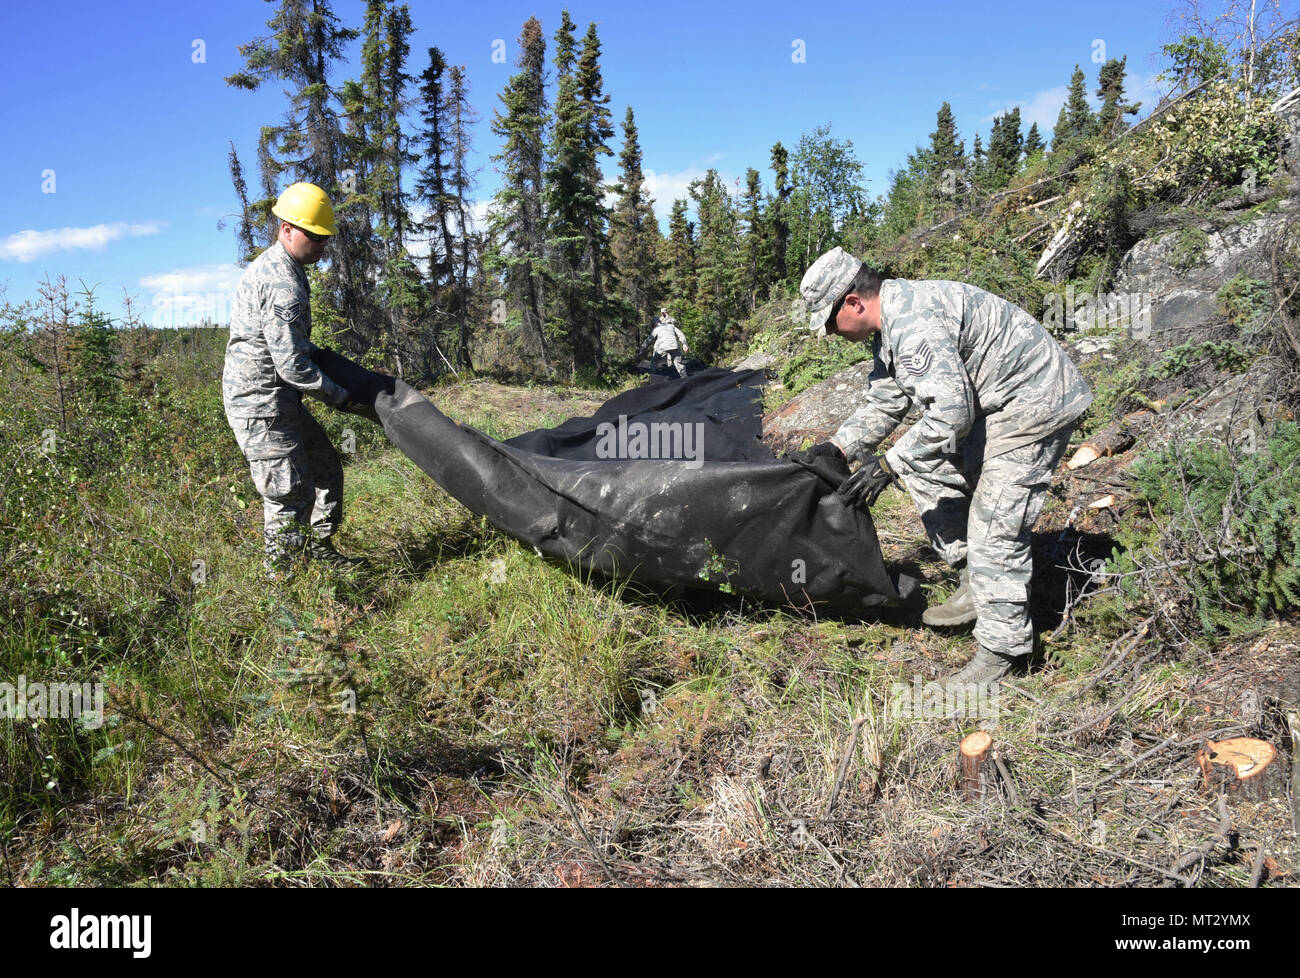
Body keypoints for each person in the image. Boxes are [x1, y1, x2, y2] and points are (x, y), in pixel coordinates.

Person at [794, 247, 1093, 687]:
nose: (832, 334)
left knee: (996, 527)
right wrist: (838, 447)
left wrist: (889, 464)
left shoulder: (914, 323)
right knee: (923, 467)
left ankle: (1002, 654)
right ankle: (979, 580)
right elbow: (888, 399)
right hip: (992, 408)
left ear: (853, 303)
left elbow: (951, 414)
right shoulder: (893, 321)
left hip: (1032, 405)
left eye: (830, 321)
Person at [222, 181, 363, 579]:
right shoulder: (282, 283)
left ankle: (319, 552)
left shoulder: (287, 267)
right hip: (261, 405)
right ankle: (283, 593)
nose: (322, 245)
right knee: (288, 494)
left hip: (279, 401)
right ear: (286, 229)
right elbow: (293, 367)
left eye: (326, 238)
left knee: (325, 469)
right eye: (314, 236)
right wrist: (343, 398)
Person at [640, 309, 690, 378]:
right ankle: (685, 378)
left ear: (654, 324)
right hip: (674, 345)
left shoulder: (657, 328)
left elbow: (649, 340)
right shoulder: (671, 326)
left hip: (663, 347)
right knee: (679, 364)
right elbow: (680, 334)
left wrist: (642, 349)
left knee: (654, 361)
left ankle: (653, 377)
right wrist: (684, 344)